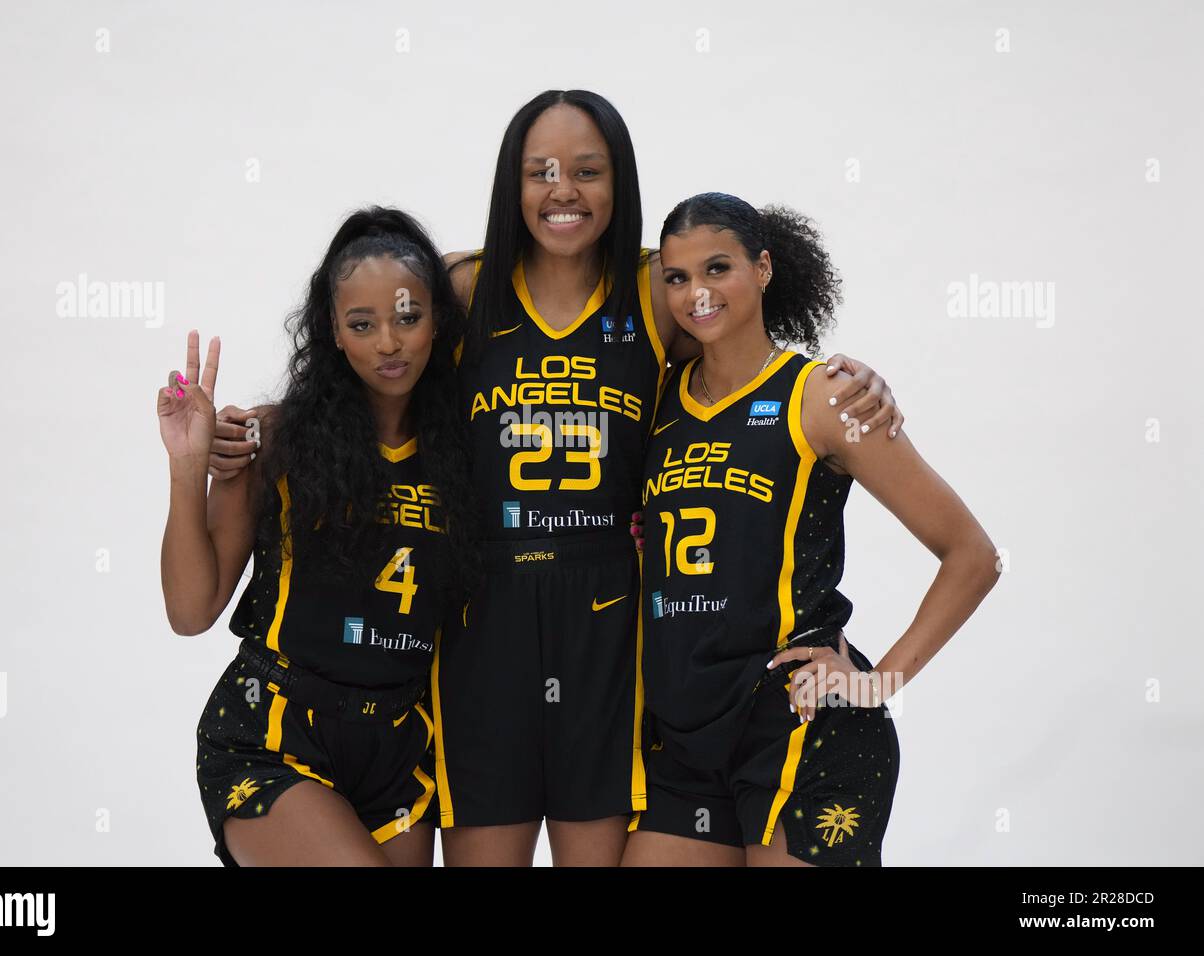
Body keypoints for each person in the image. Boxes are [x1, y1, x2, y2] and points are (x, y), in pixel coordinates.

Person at [211, 90, 906, 866]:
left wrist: (849, 378)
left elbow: (745, 348)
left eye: (587, 170)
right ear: (513, 182)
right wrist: (274, 421)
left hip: (608, 627)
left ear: (620, 183)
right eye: (540, 170)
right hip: (482, 620)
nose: (563, 189)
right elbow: (374, 357)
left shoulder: (654, 292)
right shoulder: (466, 288)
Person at [622, 193, 999, 866]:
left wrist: (876, 682)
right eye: (677, 277)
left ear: (763, 268)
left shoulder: (823, 396)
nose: (696, 294)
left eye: (718, 269)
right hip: (684, 733)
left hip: (799, 729)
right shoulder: (657, 405)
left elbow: (972, 555)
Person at [157, 207, 478, 865]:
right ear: (333, 330)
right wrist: (188, 467)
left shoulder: (469, 455)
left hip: (396, 751)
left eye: (408, 317)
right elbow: (190, 611)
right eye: (363, 324)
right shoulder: (274, 440)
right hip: (273, 735)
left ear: (438, 319)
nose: (388, 342)